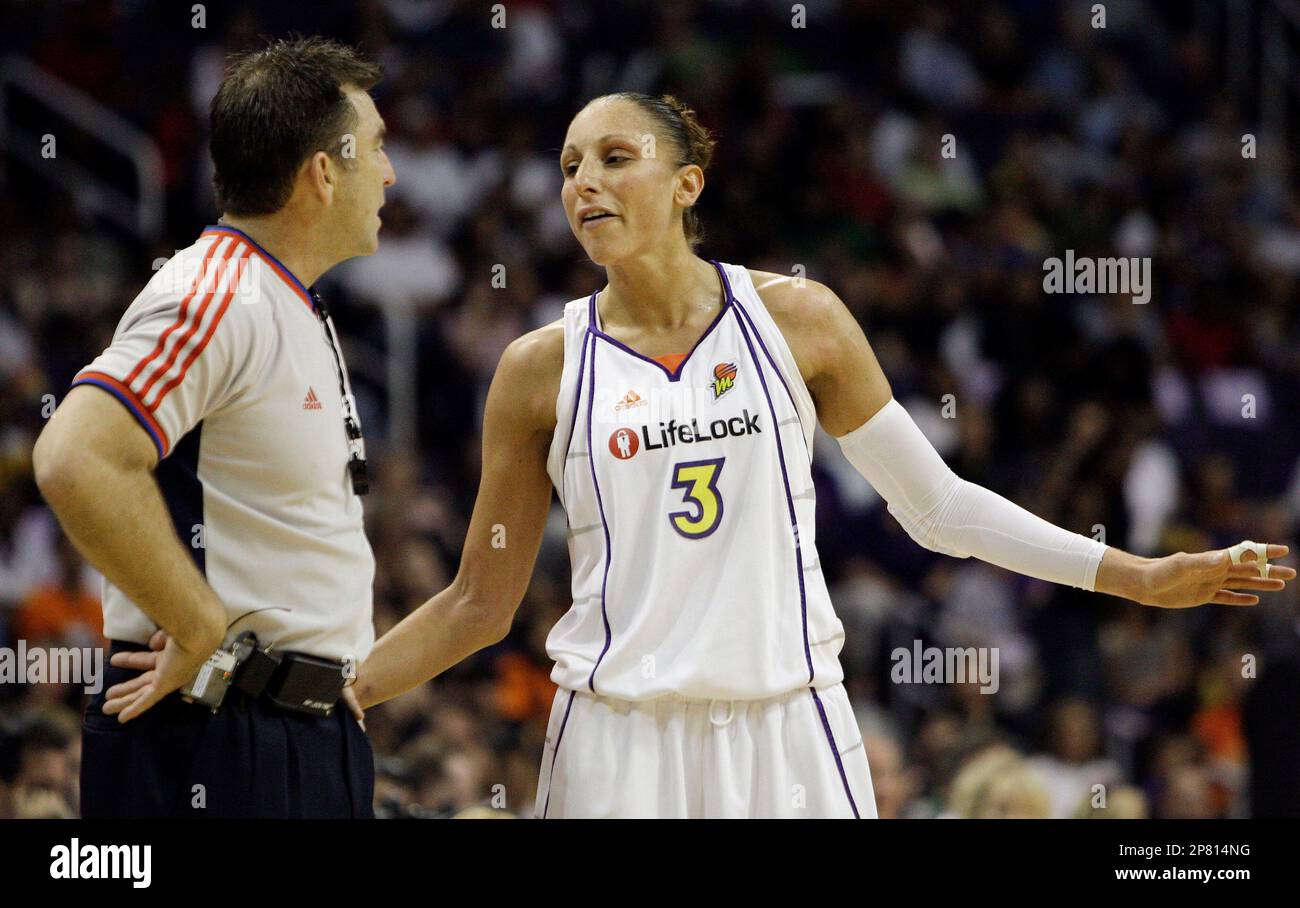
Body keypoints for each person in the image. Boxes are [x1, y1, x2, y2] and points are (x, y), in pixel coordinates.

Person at [353, 92, 1293, 818]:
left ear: (688, 183)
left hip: (788, 724)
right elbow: (480, 600)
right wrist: (345, 690)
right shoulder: (538, 369)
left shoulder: (798, 321)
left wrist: (1138, 577)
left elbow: (941, 509)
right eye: (568, 167)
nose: (583, 183)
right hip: (616, 739)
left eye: (614, 158)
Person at [32, 36, 395, 818]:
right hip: (212, 730)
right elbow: (75, 456)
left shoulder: (292, 300)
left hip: (302, 732)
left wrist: (327, 678)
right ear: (322, 173)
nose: (391, 172)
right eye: (376, 148)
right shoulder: (217, 293)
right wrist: (198, 624)